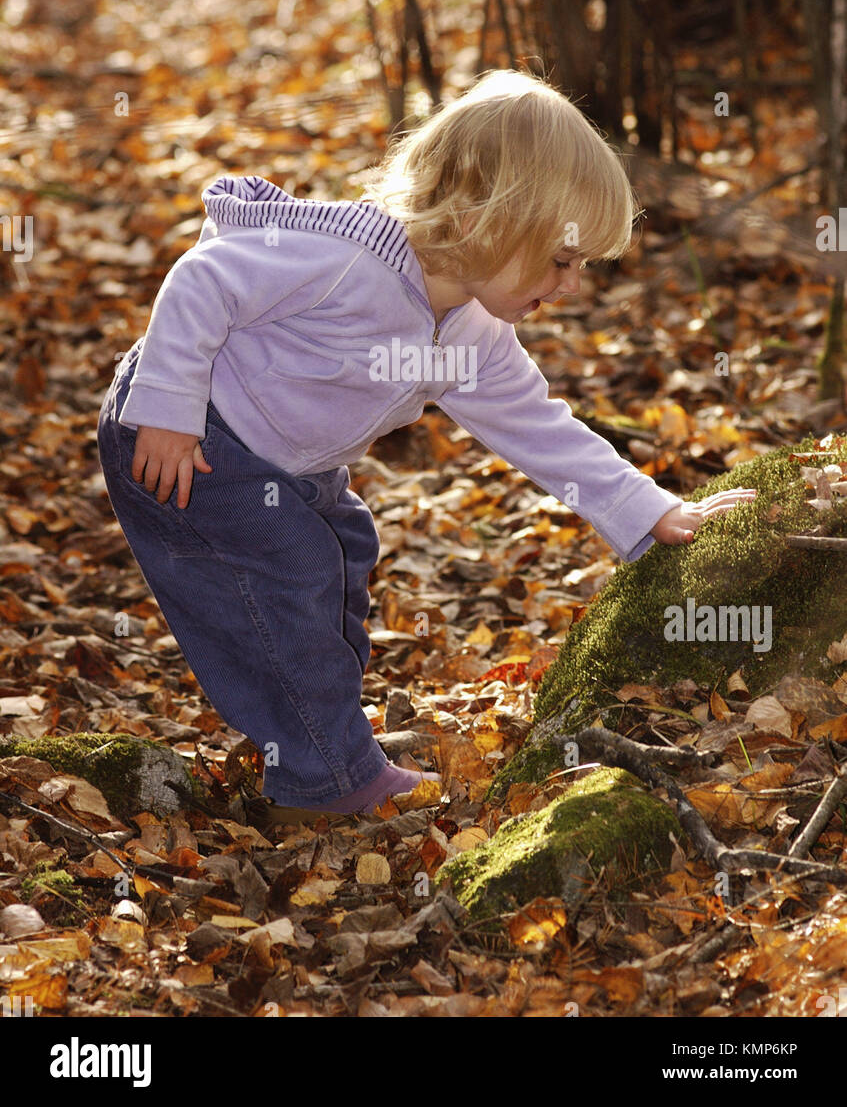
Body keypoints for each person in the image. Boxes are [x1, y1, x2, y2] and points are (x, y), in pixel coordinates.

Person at [96, 69, 755, 814]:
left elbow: (539, 426)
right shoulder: (342, 261)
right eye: (561, 261)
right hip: (190, 444)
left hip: (289, 468)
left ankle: (318, 736)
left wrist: (645, 510)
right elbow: (202, 281)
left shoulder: (472, 330)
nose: (571, 286)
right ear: (483, 220)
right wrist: (170, 410)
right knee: (292, 572)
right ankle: (325, 775)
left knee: (343, 555)